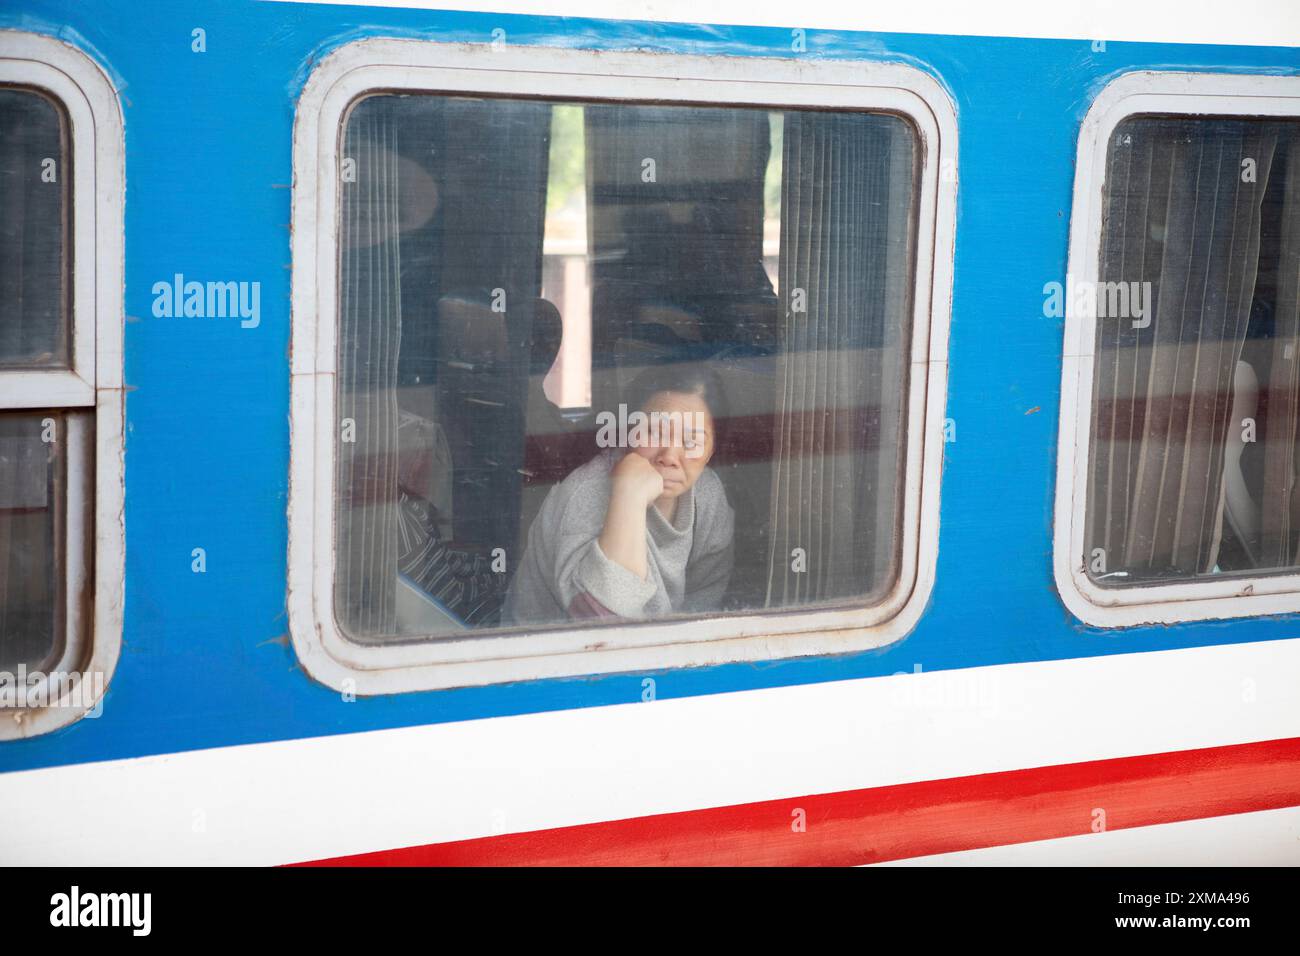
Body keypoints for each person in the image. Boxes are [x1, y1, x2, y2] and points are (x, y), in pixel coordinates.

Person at [504, 365, 735, 624]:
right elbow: (599, 622)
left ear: (712, 450)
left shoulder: (707, 494)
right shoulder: (584, 495)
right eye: (655, 432)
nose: (670, 456)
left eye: (692, 442)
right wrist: (629, 498)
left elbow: (705, 598)